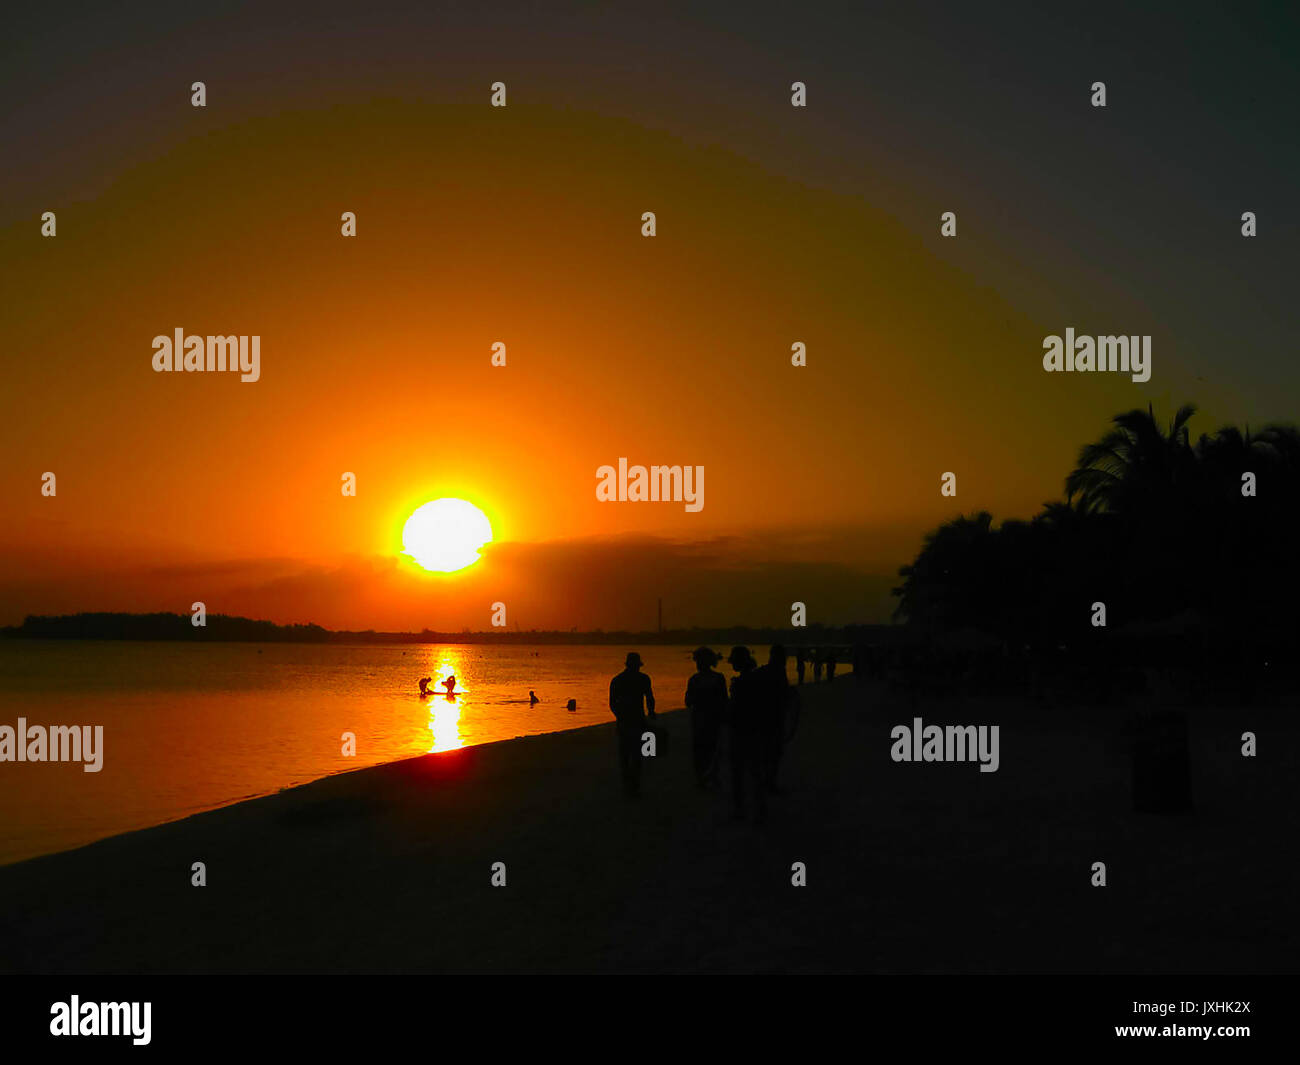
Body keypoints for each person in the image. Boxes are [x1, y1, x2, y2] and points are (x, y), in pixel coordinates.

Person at [725, 646, 766, 822]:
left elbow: (736, 709)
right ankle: (757, 810)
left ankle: (741, 810)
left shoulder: (742, 683)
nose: (732, 664)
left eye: (734, 661)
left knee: (739, 773)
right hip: (755, 730)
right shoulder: (756, 679)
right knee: (754, 772)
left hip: (742, 731)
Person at [609, 652, 655, 798]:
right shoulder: (643, 679)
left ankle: (628, 785)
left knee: (626, 754)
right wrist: (651, 712)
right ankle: (633, 786)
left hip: (626, 721)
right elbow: (650, 698)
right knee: (636, 754)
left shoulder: (617, 680)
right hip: (637, 720)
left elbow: (612, 703)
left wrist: (619, 716)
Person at [685, 646, 727, 789]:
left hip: (701, 718)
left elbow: (688, 701)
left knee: (701, 750)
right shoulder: (719, 678)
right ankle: (711, 777)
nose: (697, 664)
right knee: (712, 748)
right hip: (712, 718)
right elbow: (723, 700)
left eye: (698, 661)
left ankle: (702, 778)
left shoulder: (695, 680)